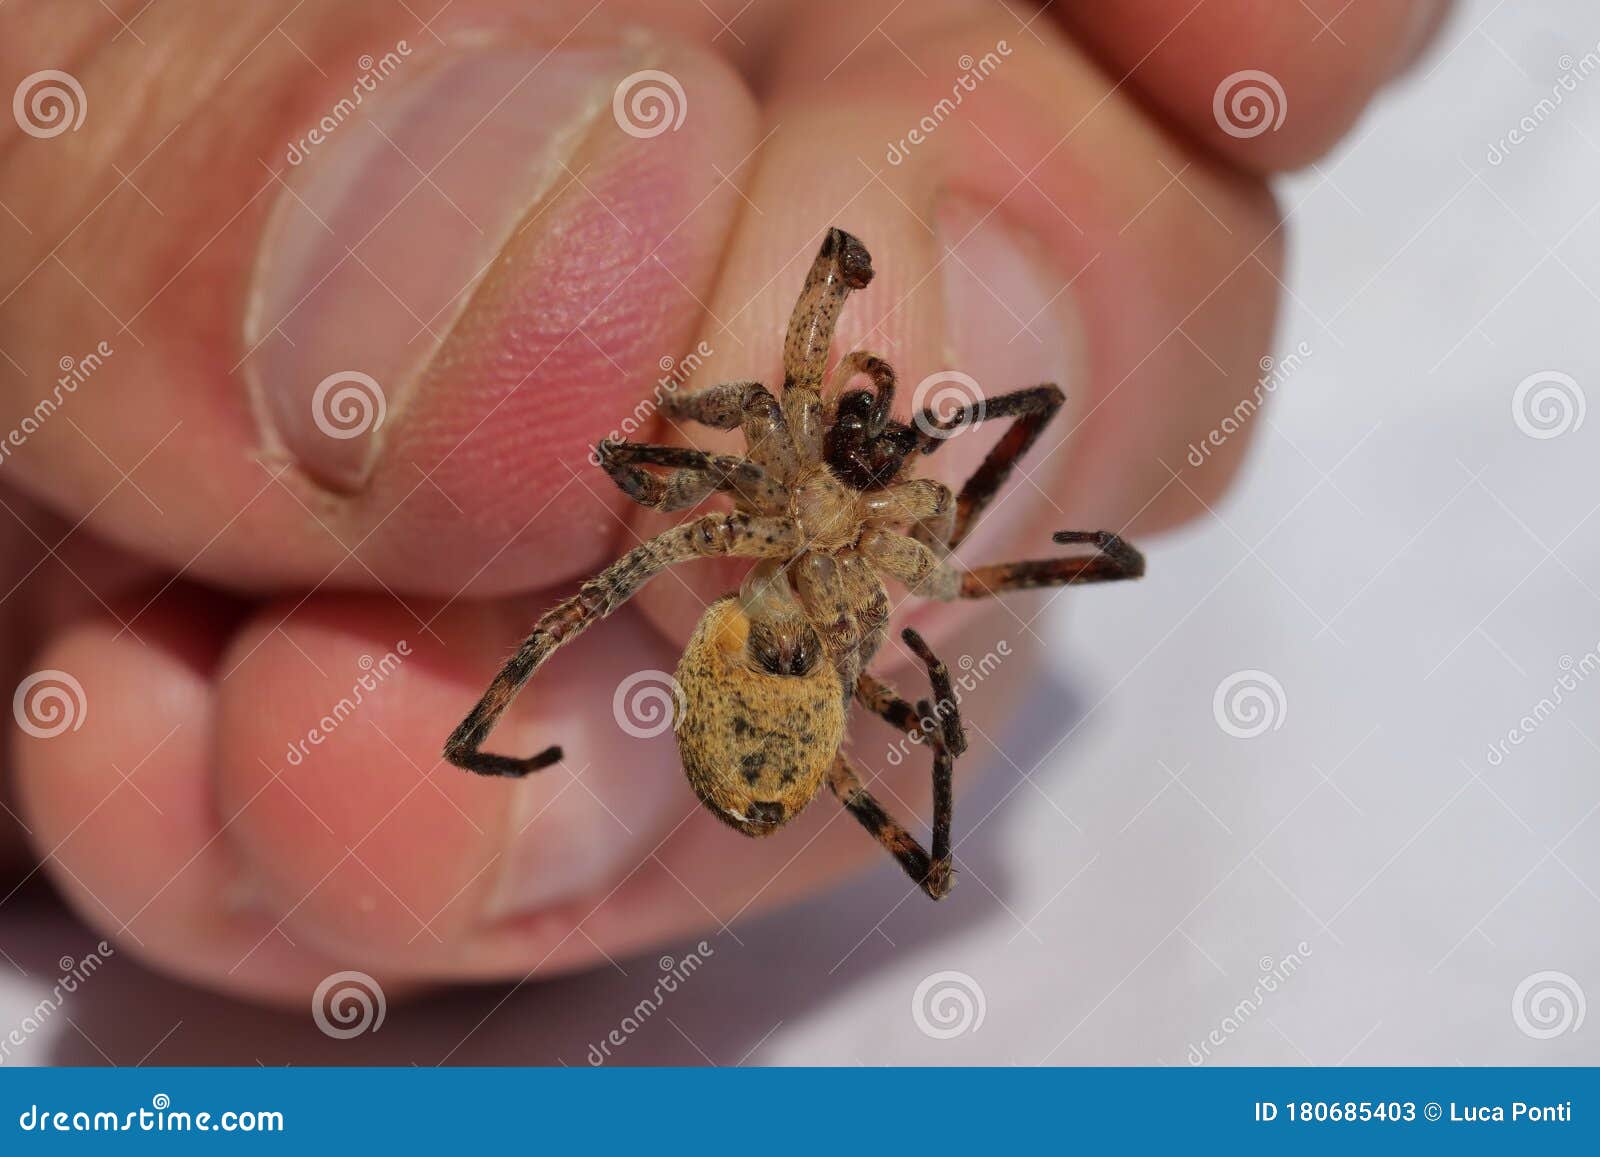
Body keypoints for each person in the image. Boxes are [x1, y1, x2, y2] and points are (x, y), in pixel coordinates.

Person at [0, 0, 1449, 1003]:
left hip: (781, 671)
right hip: (771, 655)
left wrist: (980, 430)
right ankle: (492, 737)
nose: (866, 439)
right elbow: (677, 448)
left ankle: (501, 743)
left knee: (866, 662)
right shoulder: (783, 478)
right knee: (664, 568)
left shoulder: (831, 519)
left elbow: (948, 514)